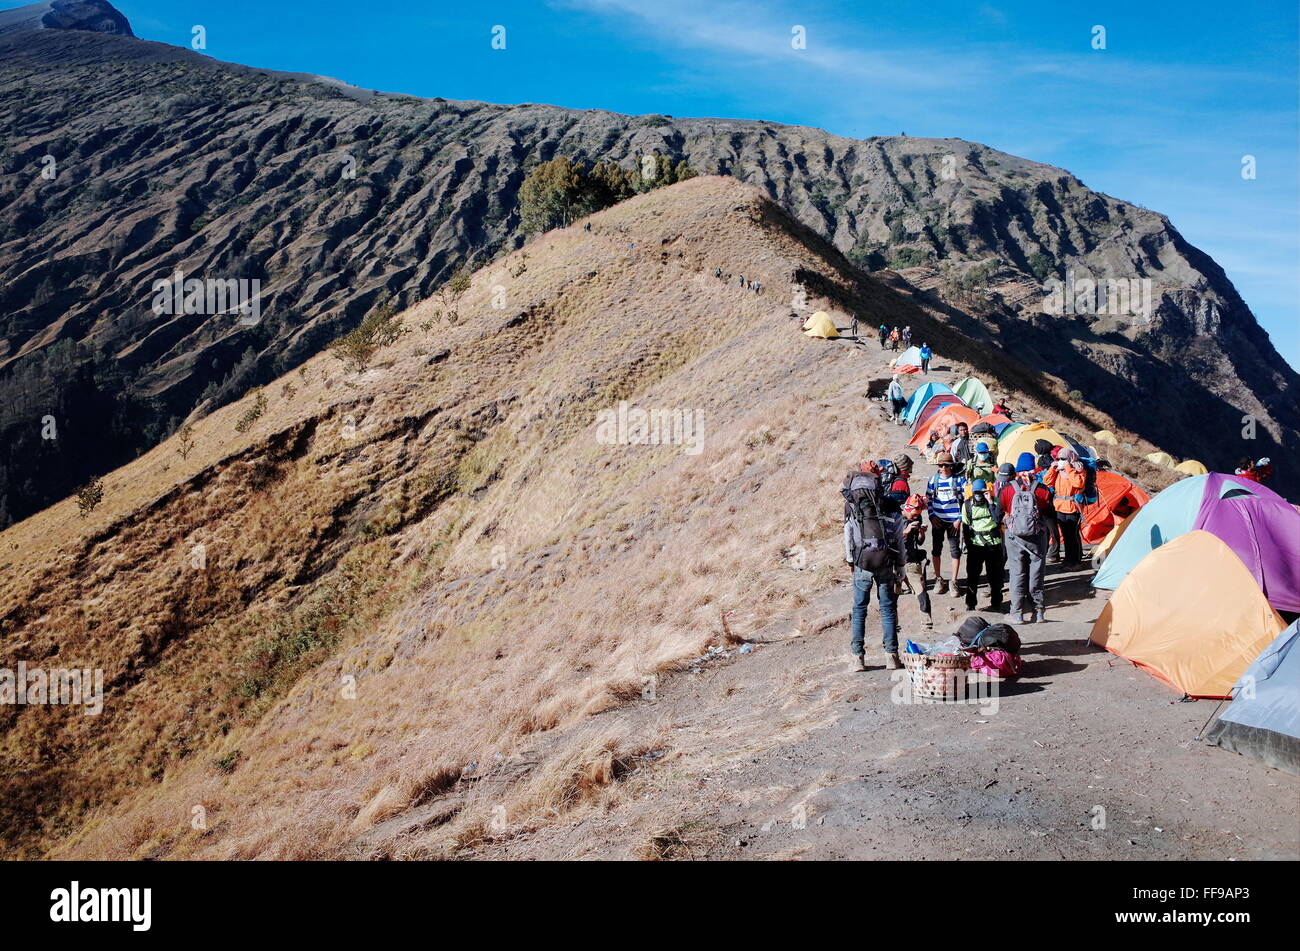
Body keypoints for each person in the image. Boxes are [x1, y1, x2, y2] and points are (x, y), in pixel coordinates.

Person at [843, 462, 905, 670]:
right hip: (886, 561)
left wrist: (850, 560)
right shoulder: (890, 504)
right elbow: (898, 537)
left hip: (862, 561)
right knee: (887, 608)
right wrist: (901, 564)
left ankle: (858, 658)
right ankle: (891, 656)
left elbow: (848, 535)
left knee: (860, 609)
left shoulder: (851, 505)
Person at [999, 452, 1054, 623]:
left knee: (1017, 573)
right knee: (1036, 573)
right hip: (1037, 537)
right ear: (1034, 467)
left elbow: (1000, 509)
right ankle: (1038, 612)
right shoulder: (1042, 489)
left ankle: (1017, 613)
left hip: (1015, 537)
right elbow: (1048, 511)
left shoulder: (1007, 489)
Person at [926, 451, 966, 598]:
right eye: (941, 465)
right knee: (936, 550)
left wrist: (960, 518)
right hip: (938, 520)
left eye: (946, 465)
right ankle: (938, 579)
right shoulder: (932, 480)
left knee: (955, 551)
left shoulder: (960, 481)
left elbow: (966, 501)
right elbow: (928, 499)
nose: (943, 468)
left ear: (951, 466)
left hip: (953, 521)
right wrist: (931, 516)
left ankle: (954, 581)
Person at [960, 479, 1005, 612]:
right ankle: (971, 603)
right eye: (976, 492)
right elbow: (966, 527)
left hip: (994, 545)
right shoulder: (967, 505)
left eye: (982, 492)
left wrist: (990, 502)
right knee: (973, 576)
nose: (979, 495)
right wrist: (968, 546)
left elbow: (998, 519)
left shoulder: (995, 501)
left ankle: (996, 602)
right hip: (976, 546)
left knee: (995, 576)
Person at [1044, 448, 1088, 568]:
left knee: (1072, 535)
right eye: (1058, 458)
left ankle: (1076, 561)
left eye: (1063, 458)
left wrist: (1069, 468)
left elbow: (1078, 484)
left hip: (1073, 507)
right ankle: (1068, 560)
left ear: (1070, 458)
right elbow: (1046, 481)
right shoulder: (1058, 470)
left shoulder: (1079, 469)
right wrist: (1053, 468)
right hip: (1059, 506)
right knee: (1065, 535)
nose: (1061, 461)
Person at [900, 494, 934, 631]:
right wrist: (905, 532)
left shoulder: (917, 518)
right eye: (913, 515)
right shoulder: (895, 519)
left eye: (917, 515)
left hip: (912, 561)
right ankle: (892, 626)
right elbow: (890, 542)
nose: (915, 518)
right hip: (896, 563)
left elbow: (919, 542)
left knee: (922, 593)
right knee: (892, 596)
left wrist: (921, 533)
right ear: (907, 509)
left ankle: (927, 625)